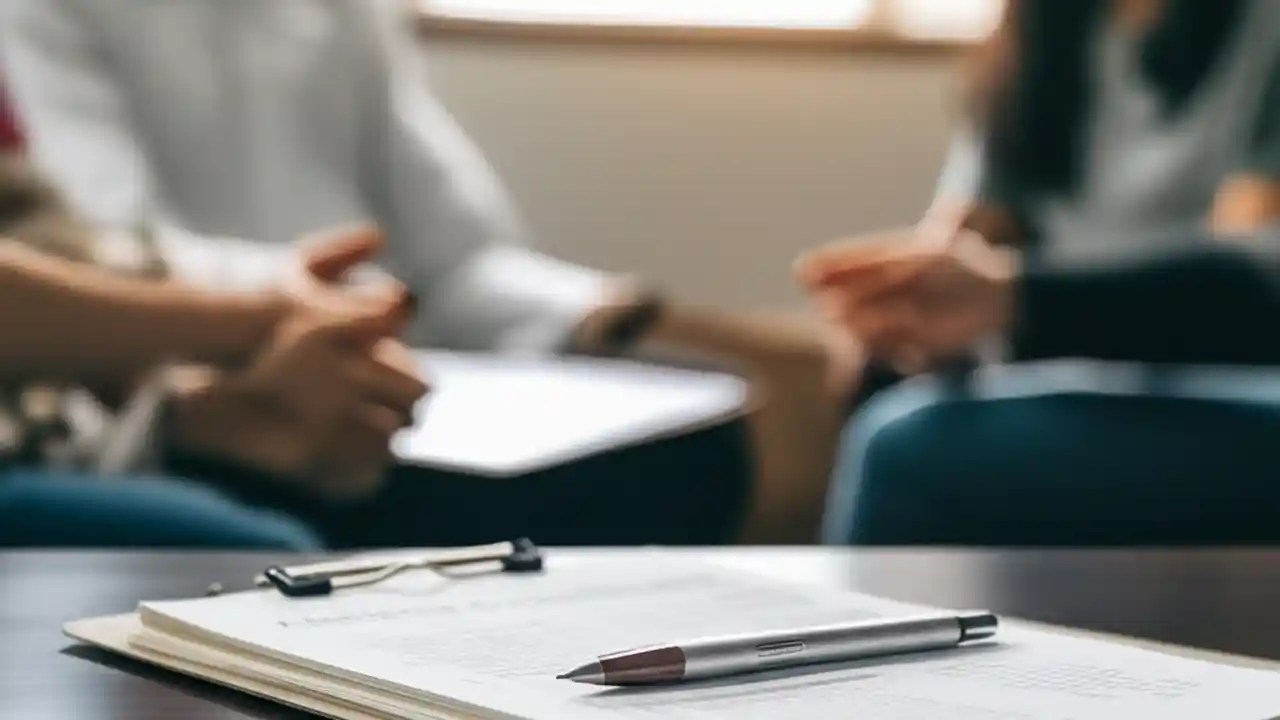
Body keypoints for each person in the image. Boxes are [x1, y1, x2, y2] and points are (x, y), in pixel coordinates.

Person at [1, 0, 857, 544]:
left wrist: (606, 318)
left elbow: (458, 259)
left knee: (716, 423)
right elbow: (115, 253)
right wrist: (282, 314)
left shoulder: (342, 14)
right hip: (203, 366)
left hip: (367, 342)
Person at [794, 0, 1280, 545]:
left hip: (1237, 382)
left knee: (904, 449)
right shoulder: (1042, 30)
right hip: (1065, 374)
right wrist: (904, 313)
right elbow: (970, 235)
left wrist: (1013, 299)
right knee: (880, 397)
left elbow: (1256, 284)